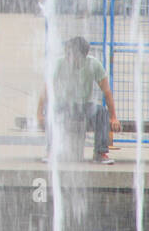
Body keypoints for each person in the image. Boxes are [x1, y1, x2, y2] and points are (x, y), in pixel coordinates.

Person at [37, 36, 119, 164]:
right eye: (67, 53)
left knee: (102, 112)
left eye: (72, 55)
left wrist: (113, 117)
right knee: (52, 110)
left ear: (83, 56)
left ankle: (100, 153)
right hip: (64, 105)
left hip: (84, 106)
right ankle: (51, 151)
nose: (69, 57)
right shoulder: (59, 64)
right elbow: (46, 90)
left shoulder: (93, 65)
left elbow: (107, 92)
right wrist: (39, 114)